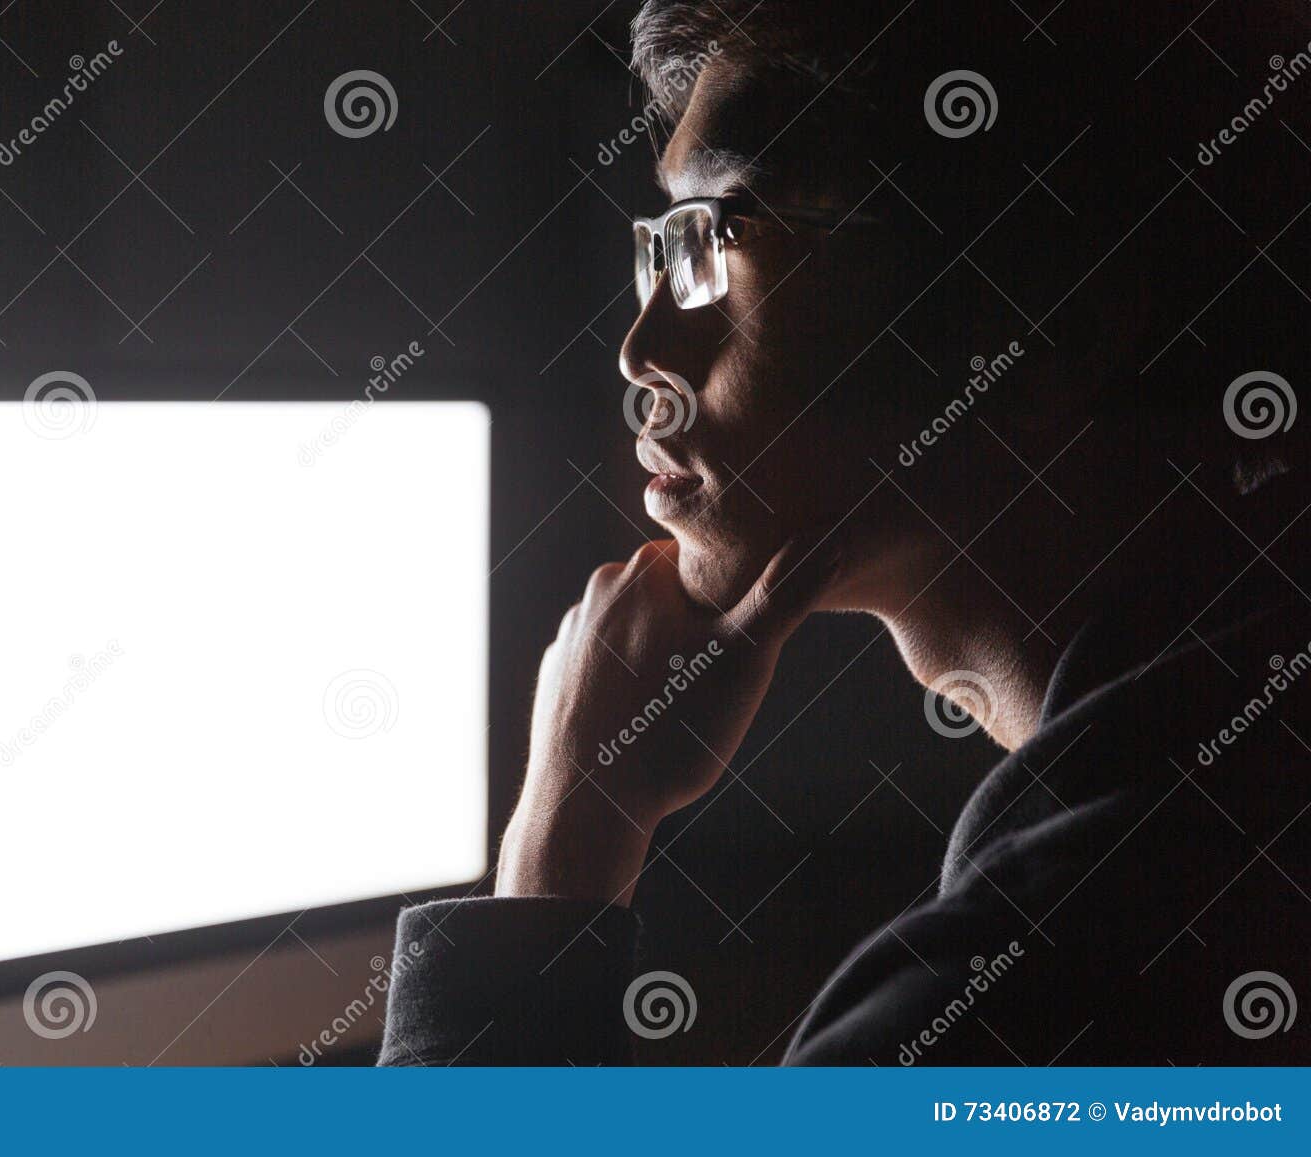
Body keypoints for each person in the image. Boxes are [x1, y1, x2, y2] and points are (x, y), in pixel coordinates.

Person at [379, 0, 1311, 1064]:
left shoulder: (1001, 1008)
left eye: (721, 229)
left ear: (1055, 305)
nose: (644, 346)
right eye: (664, 247)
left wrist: (564, 837)